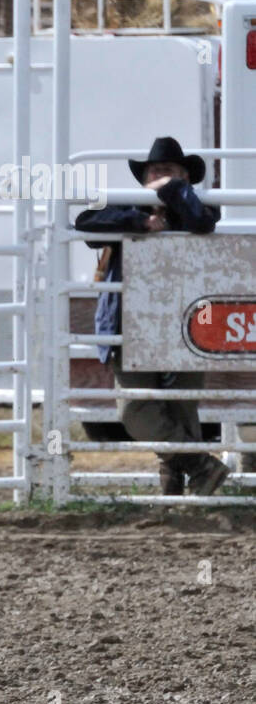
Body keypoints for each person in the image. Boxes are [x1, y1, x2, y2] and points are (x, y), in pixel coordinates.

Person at [73, 136, 229, 496]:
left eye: (171, 172)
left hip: (188, 323)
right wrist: (139, 221)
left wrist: (173, 192)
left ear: (185, 178)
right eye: (155, 171)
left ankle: (178, 493)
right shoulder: (127, 205)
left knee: (182, 411)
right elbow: (87, 225)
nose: (162, 176)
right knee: (135, 409)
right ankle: (200, 467)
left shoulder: (198, 204)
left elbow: (203, 223)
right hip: (132, 324)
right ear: (144, 179)